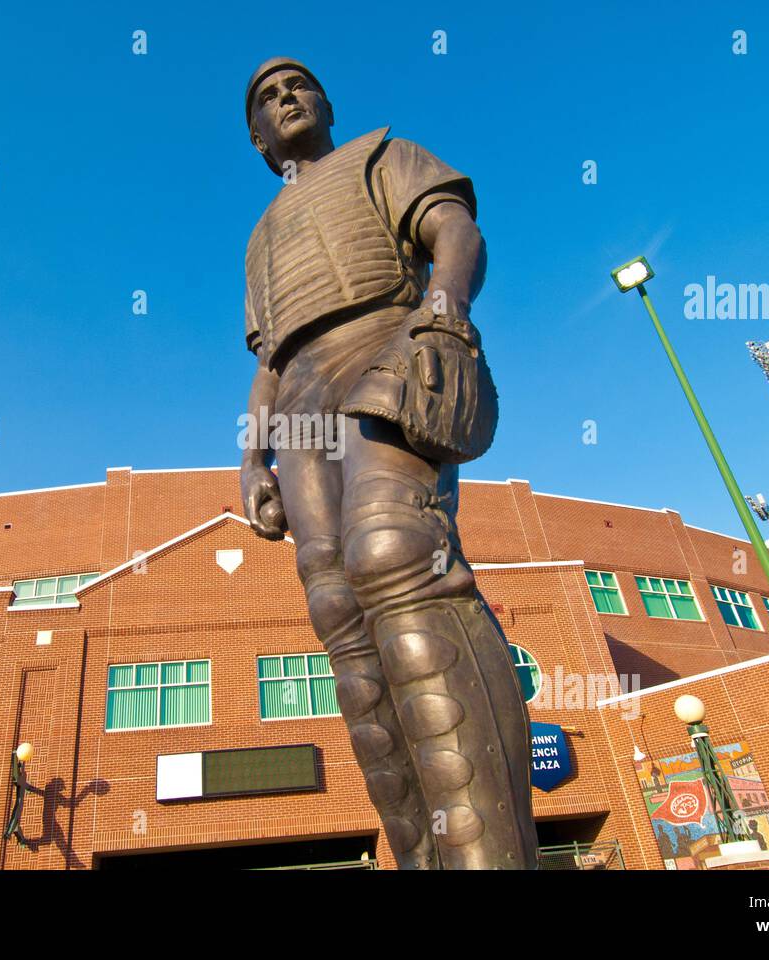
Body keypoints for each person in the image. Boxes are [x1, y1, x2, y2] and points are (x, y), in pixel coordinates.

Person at [237, 57, 532, 869]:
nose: (285, 98)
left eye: (297, 85)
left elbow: (453, 231)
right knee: (337, 609)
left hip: (386, 346)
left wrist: (445, 309)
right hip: (299, 398)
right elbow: (268, 361)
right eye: (266, 98)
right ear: (259, 138)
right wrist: (250, 457)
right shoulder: (261, 236)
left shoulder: (383, 156)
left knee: (395, 555)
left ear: (326, 101)